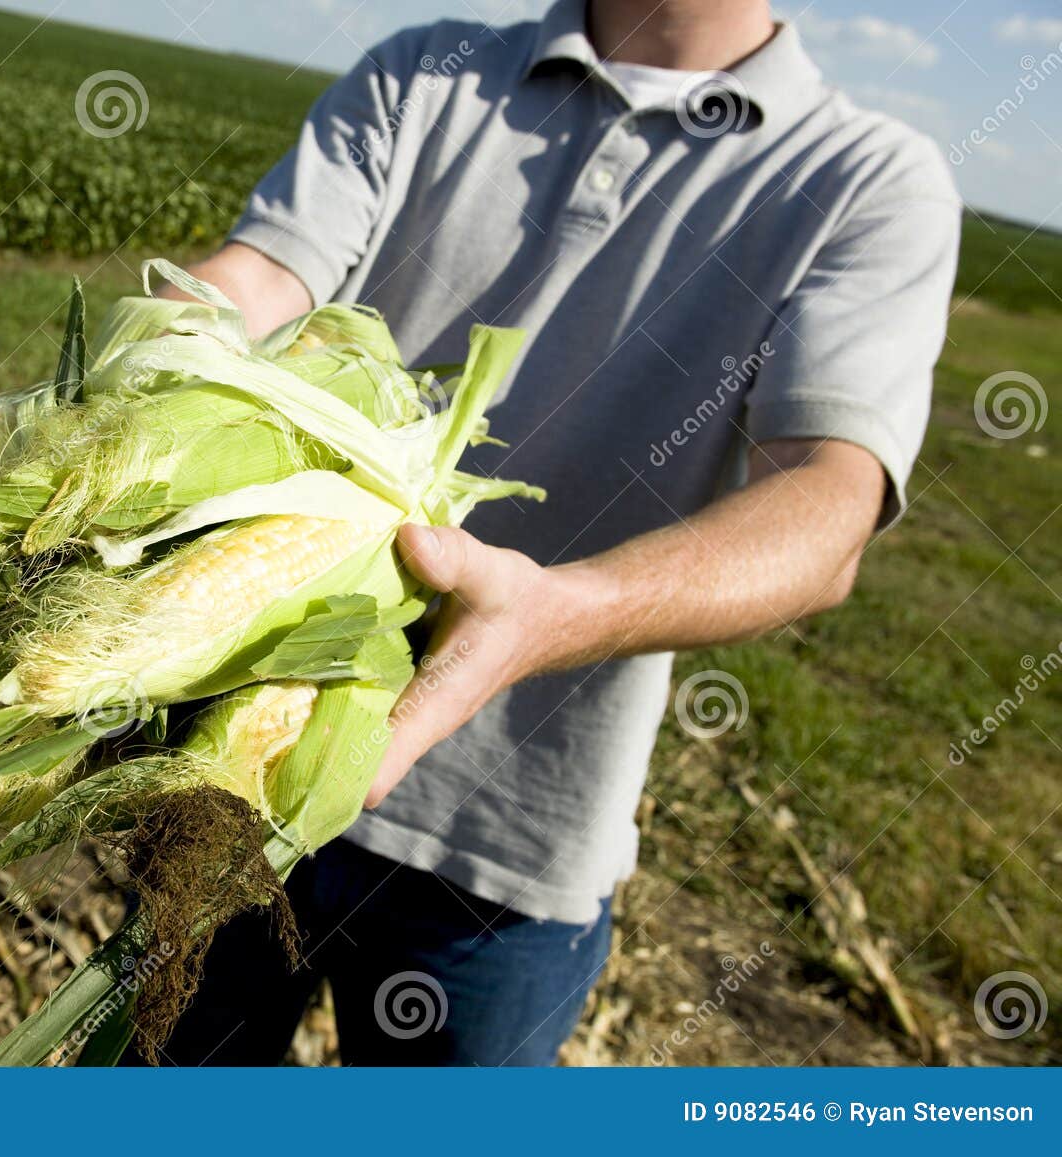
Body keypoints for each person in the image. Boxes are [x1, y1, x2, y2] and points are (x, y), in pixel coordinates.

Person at [144, 0, 961, 1066]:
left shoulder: (865, 178)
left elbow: (824, 503)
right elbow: (255, 281)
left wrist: (554, 614)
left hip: (501, 850)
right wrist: (130, 381)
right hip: (245, 749)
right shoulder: (427, 70)